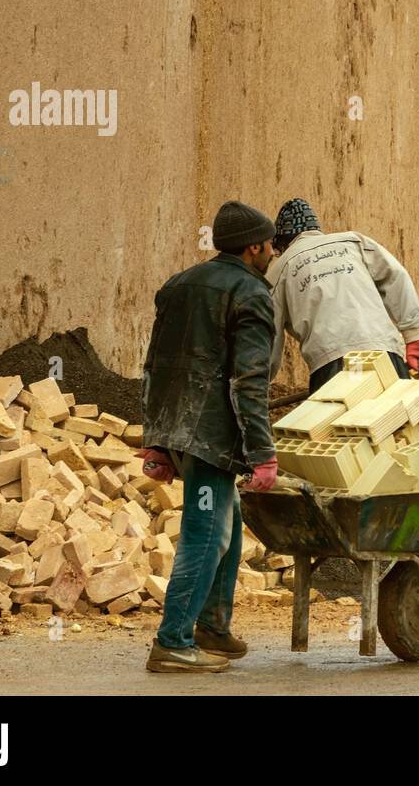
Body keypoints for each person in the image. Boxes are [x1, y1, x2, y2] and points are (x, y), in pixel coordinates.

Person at [137, 200, 281, 674]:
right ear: (253, 247)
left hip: (180, 428)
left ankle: (212, 627)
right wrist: (262, 454)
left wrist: (158, 439)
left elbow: (155, 366)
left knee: (227, 523)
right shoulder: (251, 294)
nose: (273, 253)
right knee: (207, 534)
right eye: (268, 246)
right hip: (210, 436)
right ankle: (173, 641)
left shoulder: (178, 286)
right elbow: (249, 380)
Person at [267, 198, 419, 389]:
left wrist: (260, 382)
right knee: (398, 417)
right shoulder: (354, 242)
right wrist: (414, 336)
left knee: (342, 419)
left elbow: (268, 332)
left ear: (281, 244)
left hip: (332, 362)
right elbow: (396, 278)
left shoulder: (279, 270)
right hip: (385, 351)